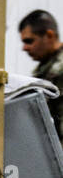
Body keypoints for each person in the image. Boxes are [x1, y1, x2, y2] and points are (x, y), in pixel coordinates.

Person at [19, 9, 63, 137]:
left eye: (29, 41)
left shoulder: (59, 70)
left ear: (49, 35)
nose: (24, 48)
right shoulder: (45, 68)